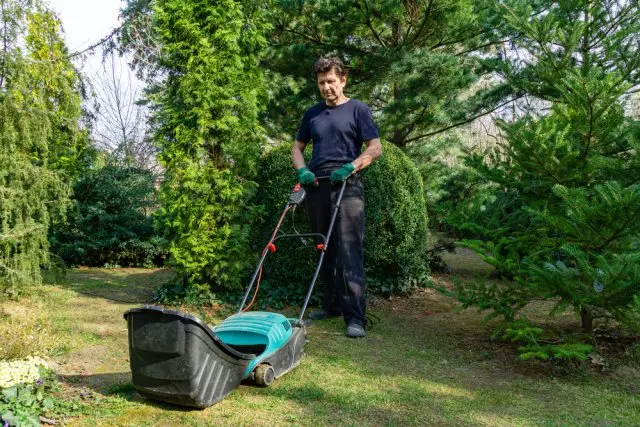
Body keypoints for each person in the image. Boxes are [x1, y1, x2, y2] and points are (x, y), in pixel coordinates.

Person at [291, 56, 382, 338]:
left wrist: (351, 166)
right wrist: (302, 170)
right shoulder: (312, 114)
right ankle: (330, 305)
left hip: (347, 184)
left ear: (343, 80)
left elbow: (375, 148)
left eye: (331, 81)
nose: (327, 87)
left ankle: (355, 316)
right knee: (323, 246)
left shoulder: (358, 110)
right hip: (317, 184)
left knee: (349, 250)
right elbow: (296, 148)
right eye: (321, 83)